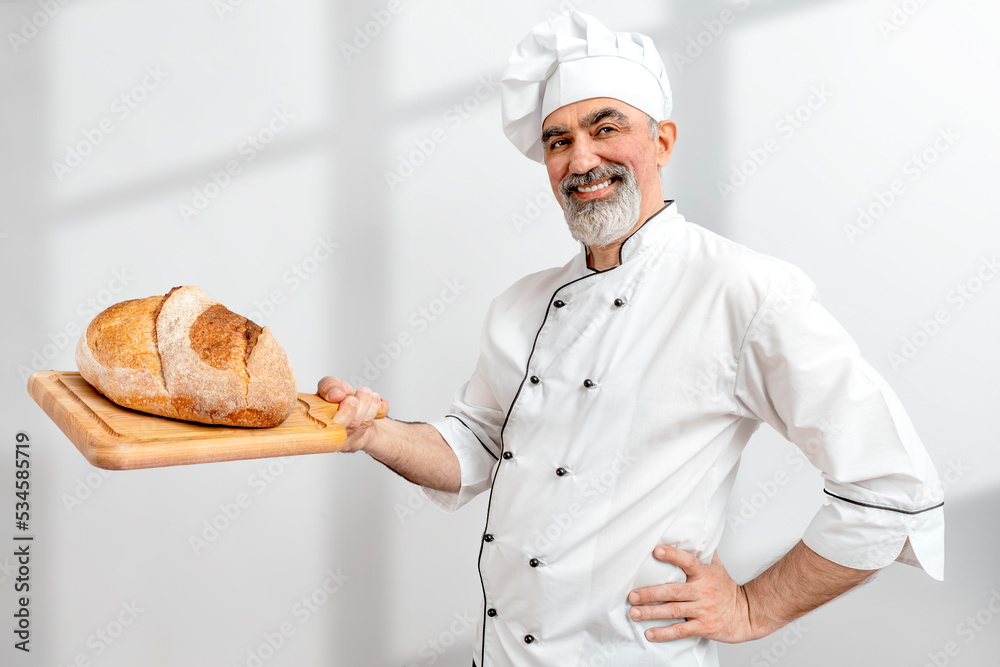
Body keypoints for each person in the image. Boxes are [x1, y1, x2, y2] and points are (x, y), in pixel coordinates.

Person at [318, 11, 945, 667]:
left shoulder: (742, 290)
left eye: (606, 127)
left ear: (664, 140)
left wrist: (756, 606)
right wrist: (371, 431)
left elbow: (891, 488)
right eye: (558, 140)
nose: (580, 158)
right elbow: (475, 446)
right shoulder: (519, 307)